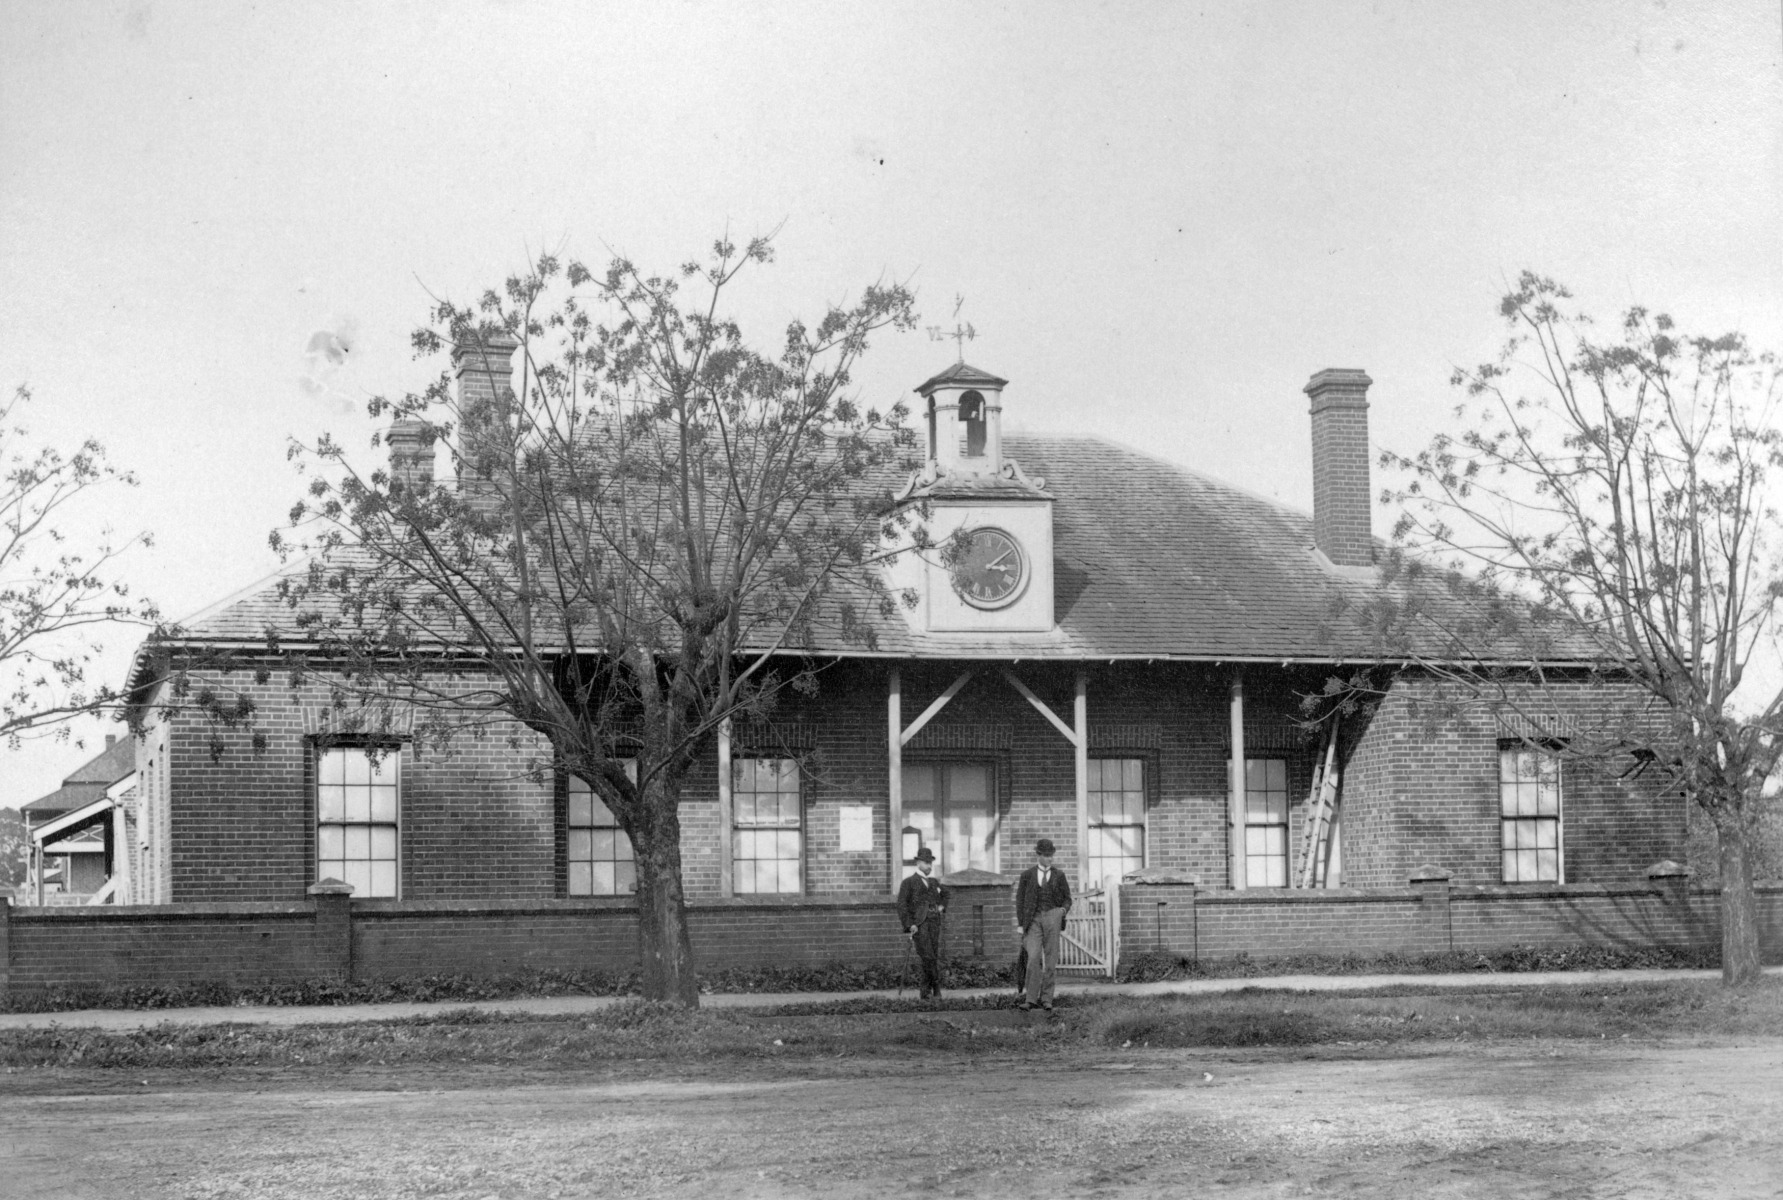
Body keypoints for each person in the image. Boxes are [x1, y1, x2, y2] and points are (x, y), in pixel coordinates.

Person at [1013, 837, 1072, 1011]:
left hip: (1053, 916)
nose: (1049, 859)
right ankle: (1031, 999)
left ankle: (1047, 999)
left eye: (1051, 855)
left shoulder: (1059, 875)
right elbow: (1020, 901)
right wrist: (1021, 924)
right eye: (1046, 855)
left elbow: (1068, 899)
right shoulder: (1027, 876)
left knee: (1051, 959)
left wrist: (1062, 911)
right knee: (1033, 957)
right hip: (1033, 920)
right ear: (1038, 855)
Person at [897, 846, 950, 1000]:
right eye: (926, 863)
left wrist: (941, 906)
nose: (929, 866)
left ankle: (925, 993)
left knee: (931, 954)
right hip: (919, 925)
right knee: (928, 956)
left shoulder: (934, 882)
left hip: (934, 923)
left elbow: (946, 894)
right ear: (919, 863)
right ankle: (936, 987)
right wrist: (909, 924)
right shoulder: (908, 882)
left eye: (931, 863)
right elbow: (902, 905)